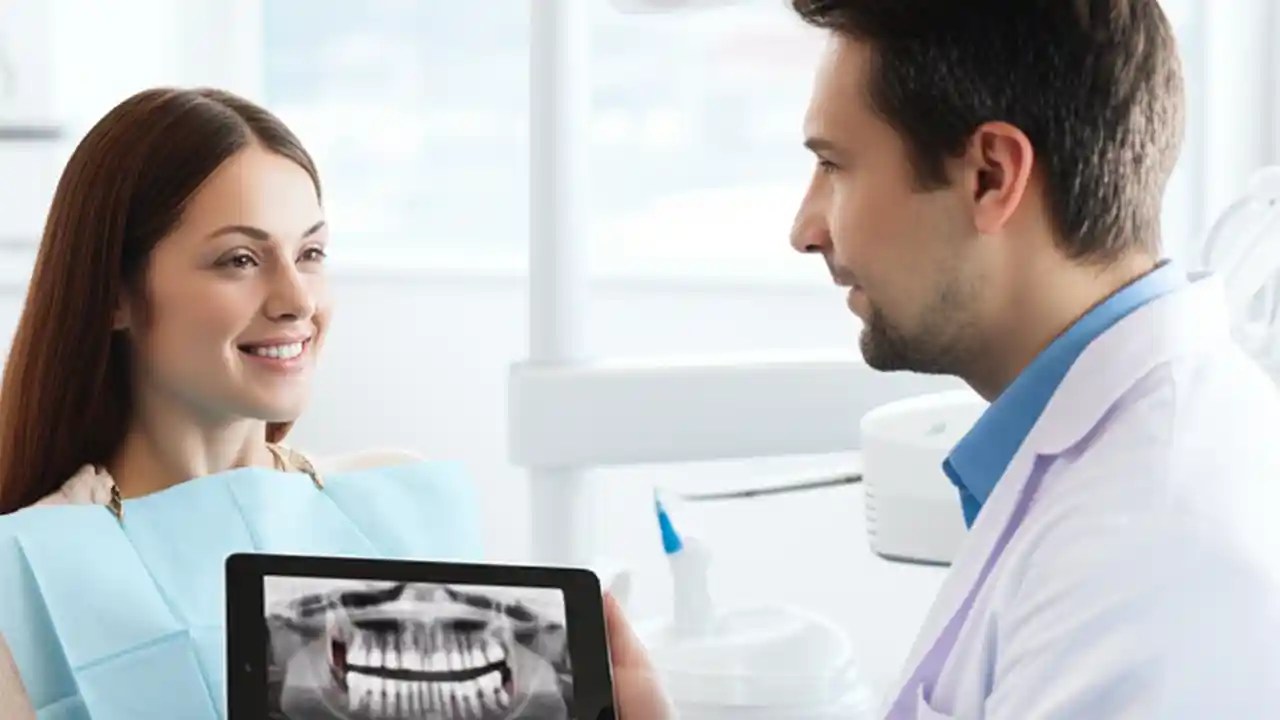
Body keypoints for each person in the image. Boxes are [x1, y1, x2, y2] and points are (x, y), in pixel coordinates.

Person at [605, 0, 1280, 718]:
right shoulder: (1115, 473)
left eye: (835, 166)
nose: (805, 229)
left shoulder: (1146, 552)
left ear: (991, 176)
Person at [0, 88, 486, 719]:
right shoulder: (31, 568)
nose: (296, 299)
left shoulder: (401, 505)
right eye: (241, 259)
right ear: (114, 295)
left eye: (310, 253)